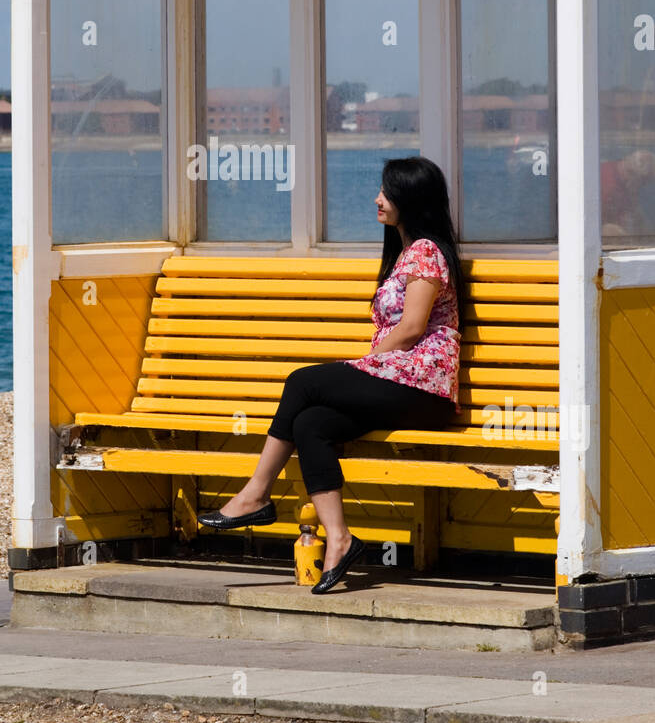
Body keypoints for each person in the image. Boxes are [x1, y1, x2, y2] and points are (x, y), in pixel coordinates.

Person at [198, 156, 464, 593]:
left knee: (303, 381)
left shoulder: (426, 252)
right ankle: (340, 539)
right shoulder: (405, 253)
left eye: (388, 192)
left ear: (411, 200)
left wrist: (365, 364)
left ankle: (255, 495)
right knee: (310, 424)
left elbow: (414, 326)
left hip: (422, 389)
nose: (378, 199)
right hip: (400, 381)